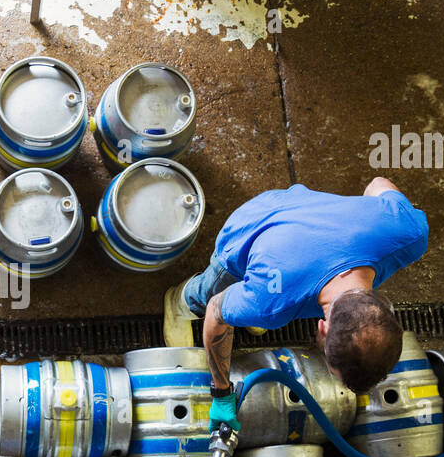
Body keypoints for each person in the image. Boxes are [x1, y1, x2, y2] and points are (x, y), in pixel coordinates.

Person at [163, 177, 429, 434]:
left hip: (289, 239)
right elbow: (215, 313)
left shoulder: (409, 232)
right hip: (250, 227)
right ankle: (178, 302)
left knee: (265, 301)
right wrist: (221, 393)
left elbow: (378, 184)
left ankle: (250, 300)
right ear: (322, 328)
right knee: (209, 294)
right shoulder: (271, 304)